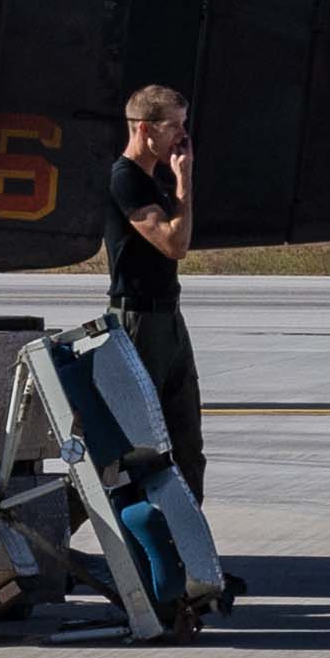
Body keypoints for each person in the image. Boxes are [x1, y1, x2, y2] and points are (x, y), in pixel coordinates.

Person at [108, 85, 213, 509]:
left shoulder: (152, 181)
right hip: (138, 323)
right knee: (139, 447)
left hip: (168, 317)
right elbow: (174, 244)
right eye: (175, 127)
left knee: (187, 444)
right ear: (147, 129)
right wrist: (185, 180)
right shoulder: (126, 180)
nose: (183, 137)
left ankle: (193, 560)